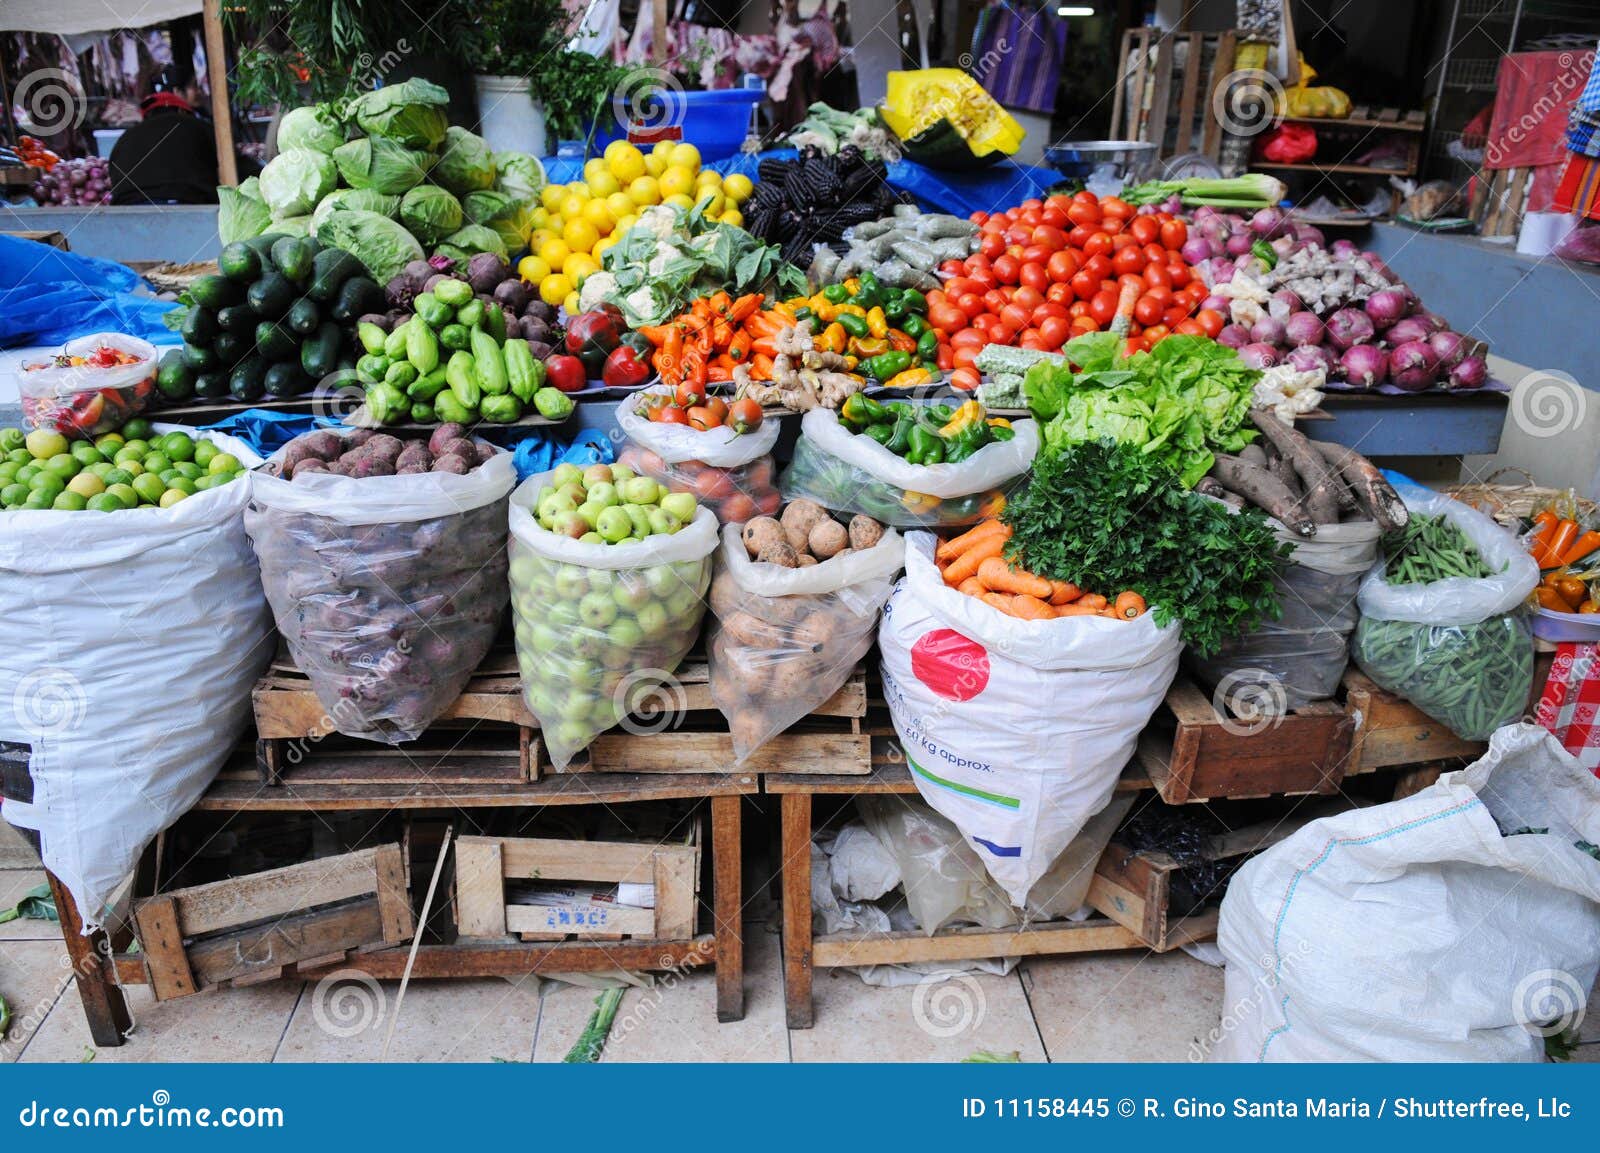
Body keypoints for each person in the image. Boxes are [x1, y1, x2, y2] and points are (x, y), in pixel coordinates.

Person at [109, 66, 225, 205]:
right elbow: (233, 164)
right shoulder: (198, 126)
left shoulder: (126, 137)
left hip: (130, 207)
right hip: (188, 202)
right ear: (182, 111)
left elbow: (114, 178)